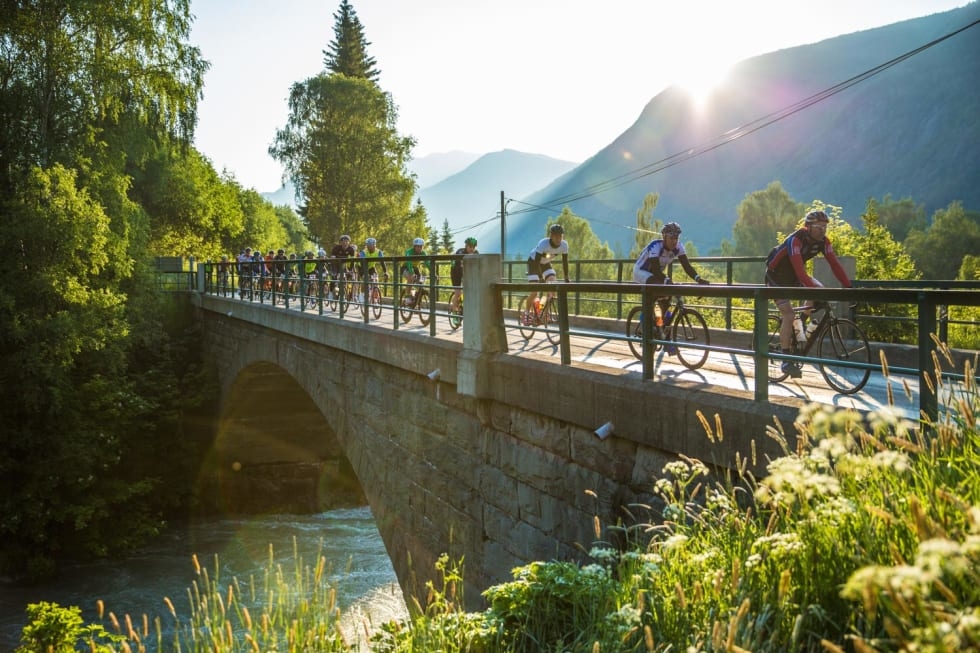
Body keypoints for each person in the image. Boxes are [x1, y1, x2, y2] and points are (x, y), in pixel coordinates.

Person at [765, 209, 852, 378]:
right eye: (818, 226)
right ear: (808, 227)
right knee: (789, 315)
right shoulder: (795, 241)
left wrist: (849, 288)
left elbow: (835, 265)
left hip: (793, 276)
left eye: (825, 227)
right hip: (776, 277)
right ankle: (786, 360)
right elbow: (801, 273)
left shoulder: (824, 242)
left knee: (819, 291)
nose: (822, 230)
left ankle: (800, 327)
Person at [632, 221, 710, 331]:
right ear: (664, 237)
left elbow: (687, 266)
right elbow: (655, 270)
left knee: (667, 299)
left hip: (656, 274)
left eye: (676, 238)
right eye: (671, 238)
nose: (674, 241)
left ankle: (660, 325)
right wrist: (667, 280)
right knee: (656, 288)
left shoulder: (678, 247)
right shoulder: (655, 246)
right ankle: (645, 324)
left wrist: (699, 279)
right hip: (641, 272)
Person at [525, 224, 570, 320]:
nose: (558, 239)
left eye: (560, 236)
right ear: (551, 236)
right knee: (534, 292)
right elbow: (537, 262)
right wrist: (541, 277)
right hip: (533, 263)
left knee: (552, 290)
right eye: (556, 236)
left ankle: (544, 314)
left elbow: (565, 262)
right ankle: (526, 314)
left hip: (545, 263)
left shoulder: (564, 245)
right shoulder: (543, 243)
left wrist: (566, 277)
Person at [450, 237, 478, 312]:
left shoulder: (476, 253)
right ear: (466, 246)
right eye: (470, 246)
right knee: (458, 293)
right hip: (456, 273)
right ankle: (454, 311)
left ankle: (463, 307)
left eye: (474, 247)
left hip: (466, 272)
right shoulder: (460, 252)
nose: (472, 249)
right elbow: (458, 267)